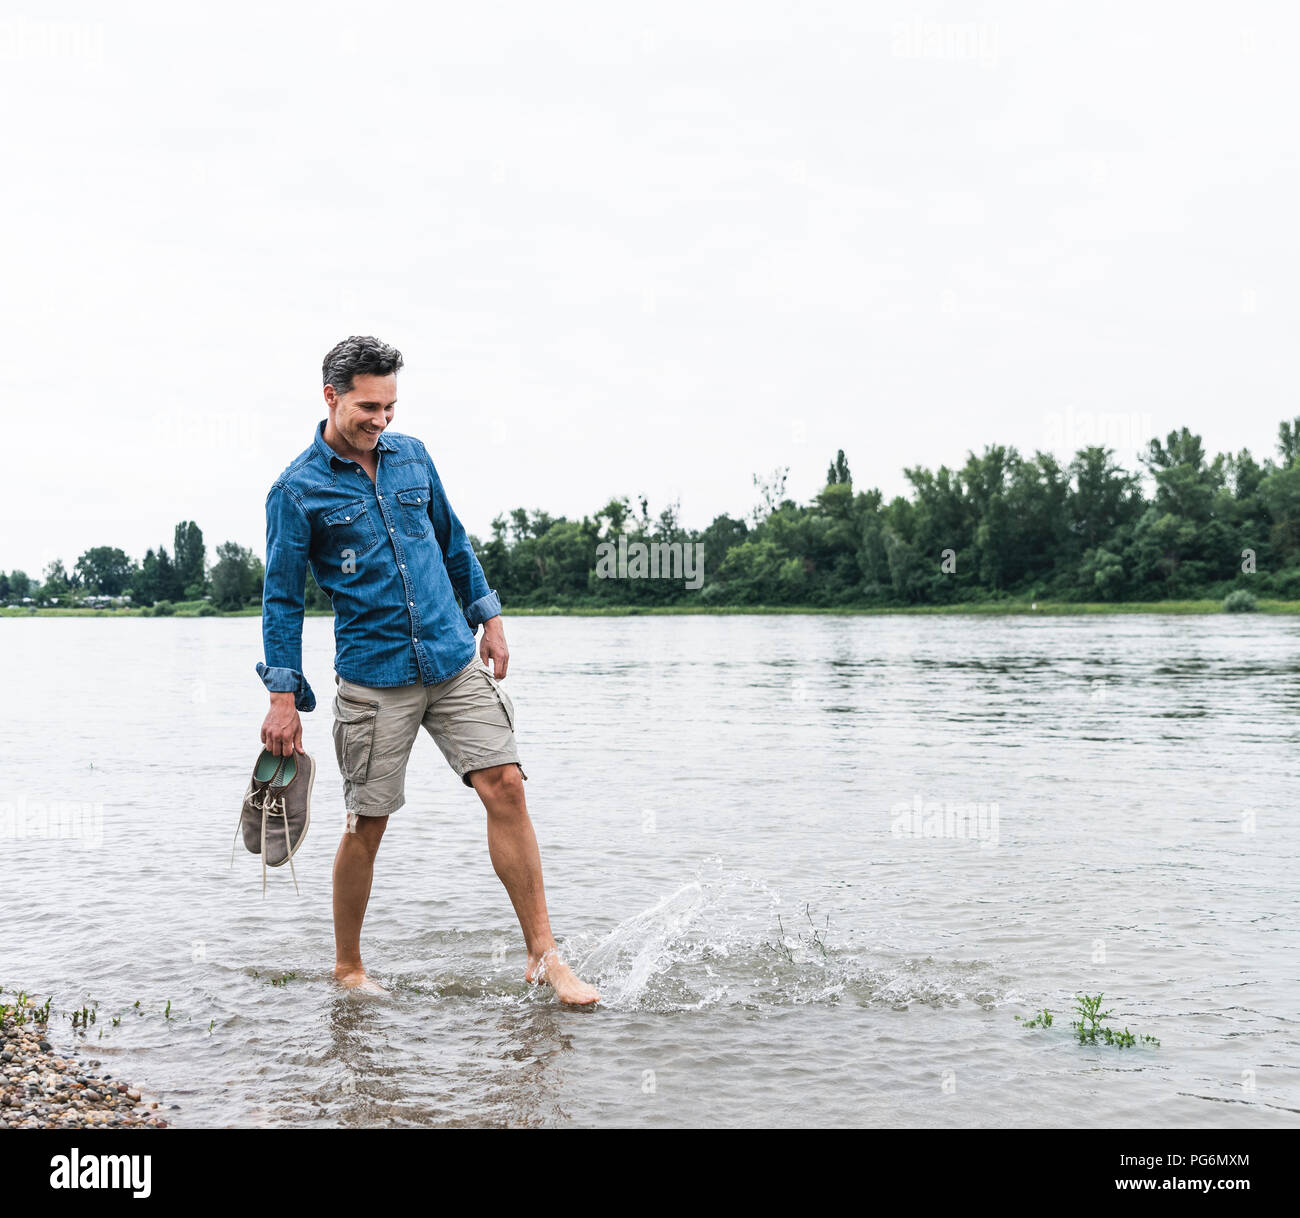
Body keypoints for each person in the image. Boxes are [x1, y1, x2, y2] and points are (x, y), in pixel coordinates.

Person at [256, 335, 599, 1005]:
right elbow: (280, 597)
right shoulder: (296, 490)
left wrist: (490, 617)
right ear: (331, 396)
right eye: (367, 407)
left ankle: (544, 956)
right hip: (373, 675)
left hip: (450, 655)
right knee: (368, 821)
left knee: (505, 785)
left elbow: (452, 540)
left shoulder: (413, 458)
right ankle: (349, 967)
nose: (381, 421)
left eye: (389, 407)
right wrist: (281, 696)